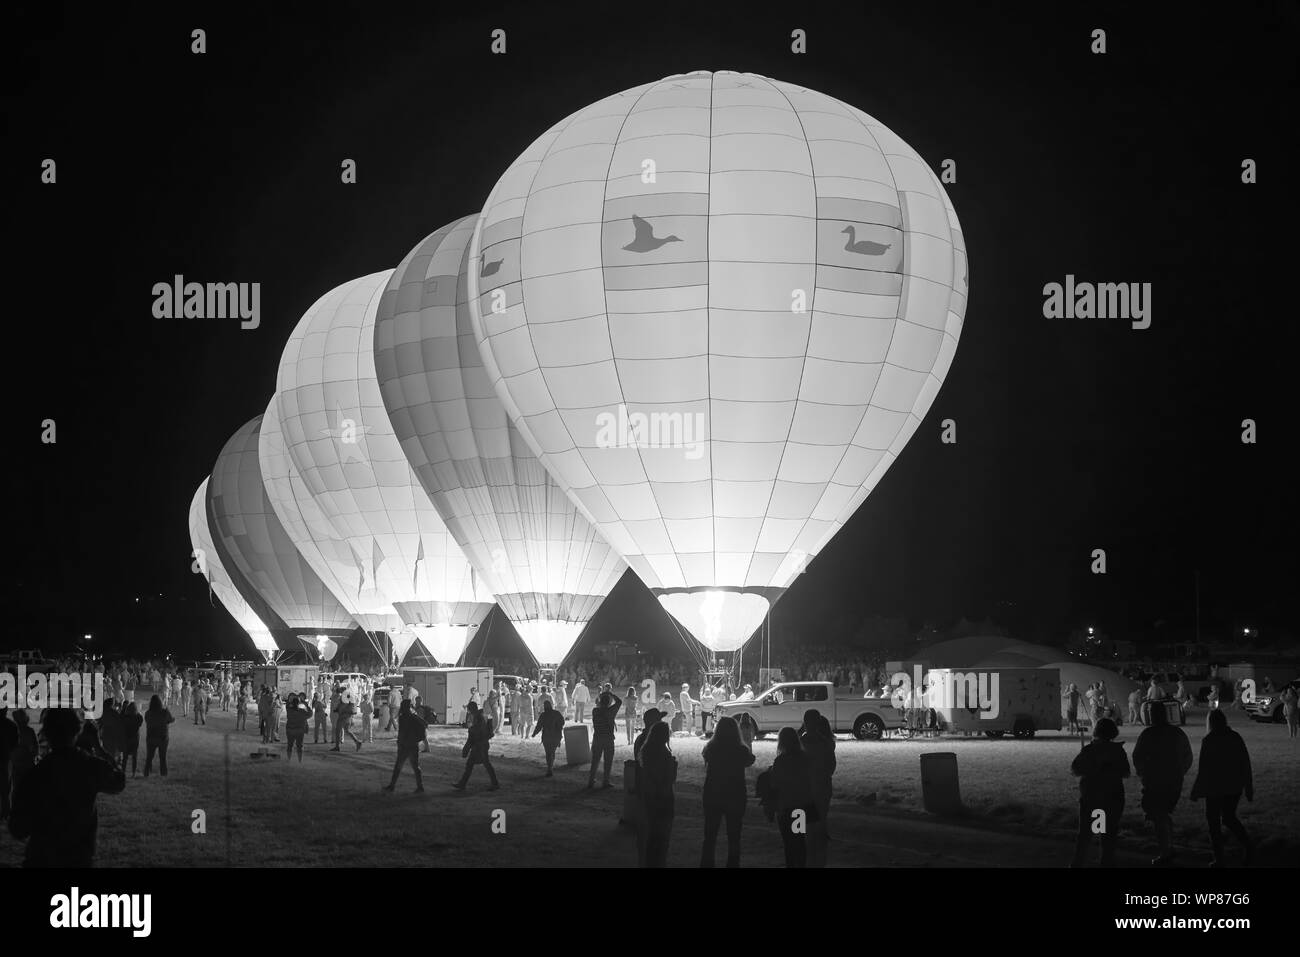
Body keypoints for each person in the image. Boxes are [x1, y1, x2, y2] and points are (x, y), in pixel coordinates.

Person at [7, 709, 125, 866]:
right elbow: (118, 783)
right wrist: (106, 755)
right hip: (78, 857)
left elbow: (18, 828)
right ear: (78, 731)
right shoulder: (89, 766)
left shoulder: (36, 773)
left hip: (42, 857)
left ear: (47, 733)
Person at [1189, 710, 1254, 867]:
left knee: (1214, 823)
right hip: (1233, 786)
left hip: (1215, 787)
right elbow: (1245, 762)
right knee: (1229, 818)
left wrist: (1196, 790)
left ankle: (1219, 858)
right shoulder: (1235, 737)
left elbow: (1204, 768)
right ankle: (1248, 846)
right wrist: (1248, 786)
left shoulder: (1209, 740)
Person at [1132, 699, 1194, 865]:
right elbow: (1188, 757)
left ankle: (1166, 852)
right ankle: (1169, 846)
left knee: (1158, 815)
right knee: (1163, 814)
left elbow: (1137, 757)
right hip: (1173, 782)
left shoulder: (1148, 734)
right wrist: (1180, 772)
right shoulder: (1177, 733)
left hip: (1155, 782)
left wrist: (1143, 774)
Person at [1069, 717, 1130, 867]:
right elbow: (1125, 772)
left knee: (1086, 834)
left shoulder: (1090, 750)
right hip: (1112, 797)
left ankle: (1078, 863)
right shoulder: (1118, 751)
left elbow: (1075, 768)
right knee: (1108, 834)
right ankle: (1106, 862)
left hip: (1092, 797)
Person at [700, 715, 754, 867]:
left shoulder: (711, 748)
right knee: (734, 836)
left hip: (713, 793)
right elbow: (750, 760)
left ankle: (706, 864)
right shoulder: (741, 750)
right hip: (735, 794)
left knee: (710, 835)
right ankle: (732, 864)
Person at [762, 727, 817, 867]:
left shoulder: (780, 761)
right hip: (801, 806)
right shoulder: (805, 758)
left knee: (789, 843)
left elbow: (774, 785)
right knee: (799, 841)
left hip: (786, 807)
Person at [637, 721, 677, 867]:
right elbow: (669, 779)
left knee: (652, 833)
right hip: (664, 797)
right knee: (663, 836)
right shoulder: (665, 754)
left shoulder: (646, 750)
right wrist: (673, 767)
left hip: (650, 794)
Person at [800, 710, 836, 854]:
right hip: (822, 784)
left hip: (804, 786)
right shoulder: (826, 742)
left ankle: (801, 841)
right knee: (821, 815)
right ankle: (820, 844)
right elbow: (832, 765)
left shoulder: (800, 742)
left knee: (801, 815)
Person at [384, 699, 428, 792]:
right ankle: (420, 786)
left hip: (405, 745)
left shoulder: (403, 717)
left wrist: (399, 743)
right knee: (416, 766)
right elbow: (425, 724)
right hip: (414, 745)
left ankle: (392, 786)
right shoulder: (413, 717)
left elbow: (402, 733)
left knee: (398, 766)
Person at [453, 706, 499, 790]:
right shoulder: (483, 716)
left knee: (479, 764)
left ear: (470, 710)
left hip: (478, 746)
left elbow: (473, 734)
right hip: (483, 745)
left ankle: (495, 783)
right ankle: (494, 783)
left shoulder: (477, 717)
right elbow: (489, 732)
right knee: (481, 764)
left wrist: (466, 749)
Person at [587, 690, 622, 789]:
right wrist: (611, 694)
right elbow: (619, 702)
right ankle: (605, 781)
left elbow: (598, 702)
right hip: (608, 739)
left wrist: (601, 695)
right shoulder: (611, 711)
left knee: (595, 760)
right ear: (609, 702)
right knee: (608, 761)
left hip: (597, 738)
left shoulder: (595, 711)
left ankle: (591, 781)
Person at [143, 695, 175, 777]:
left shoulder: (148, 713)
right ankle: (163, 773)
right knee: (162, 757)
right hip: (162, 738)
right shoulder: (164, 712)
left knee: (149, 756)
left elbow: (147, 721)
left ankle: (146, 772)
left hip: (151, 737)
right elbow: (171, 720)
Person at [532, 699, 565, 776]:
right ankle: (550, 767)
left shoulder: (543, 715)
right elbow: (562, 722)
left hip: (546, 737)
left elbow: (539, 726)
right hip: (556, 737)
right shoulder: (557, 713)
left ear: (544, 707)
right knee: (552, 752)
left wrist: (534, 734)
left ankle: (549, 768)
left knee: (548, 753)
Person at [0, 709, 18, 822]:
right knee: (5, 787)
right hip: (5, 757)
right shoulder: (11, 725)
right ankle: (5, 812)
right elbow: (14, 743)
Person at [119, 701, 143, 777]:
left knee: (125, 757)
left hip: (126, 738)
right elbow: (140, 720)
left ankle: (123, 771)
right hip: (135, 738)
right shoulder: (138, 717)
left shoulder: (125, 717)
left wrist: (124, 709)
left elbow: (120, 717)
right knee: (134, 756)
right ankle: (133, 773)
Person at [284, 693, 310, 762]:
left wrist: (291, 700)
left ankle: (289, 759)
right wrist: (304, 703)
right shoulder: (302, 711)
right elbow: (310, 713)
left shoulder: (289, 710)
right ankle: (299, 761)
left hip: (290, 730)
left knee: (289, 746)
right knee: (299, 746)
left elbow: (287, 704)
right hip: (299, 730)